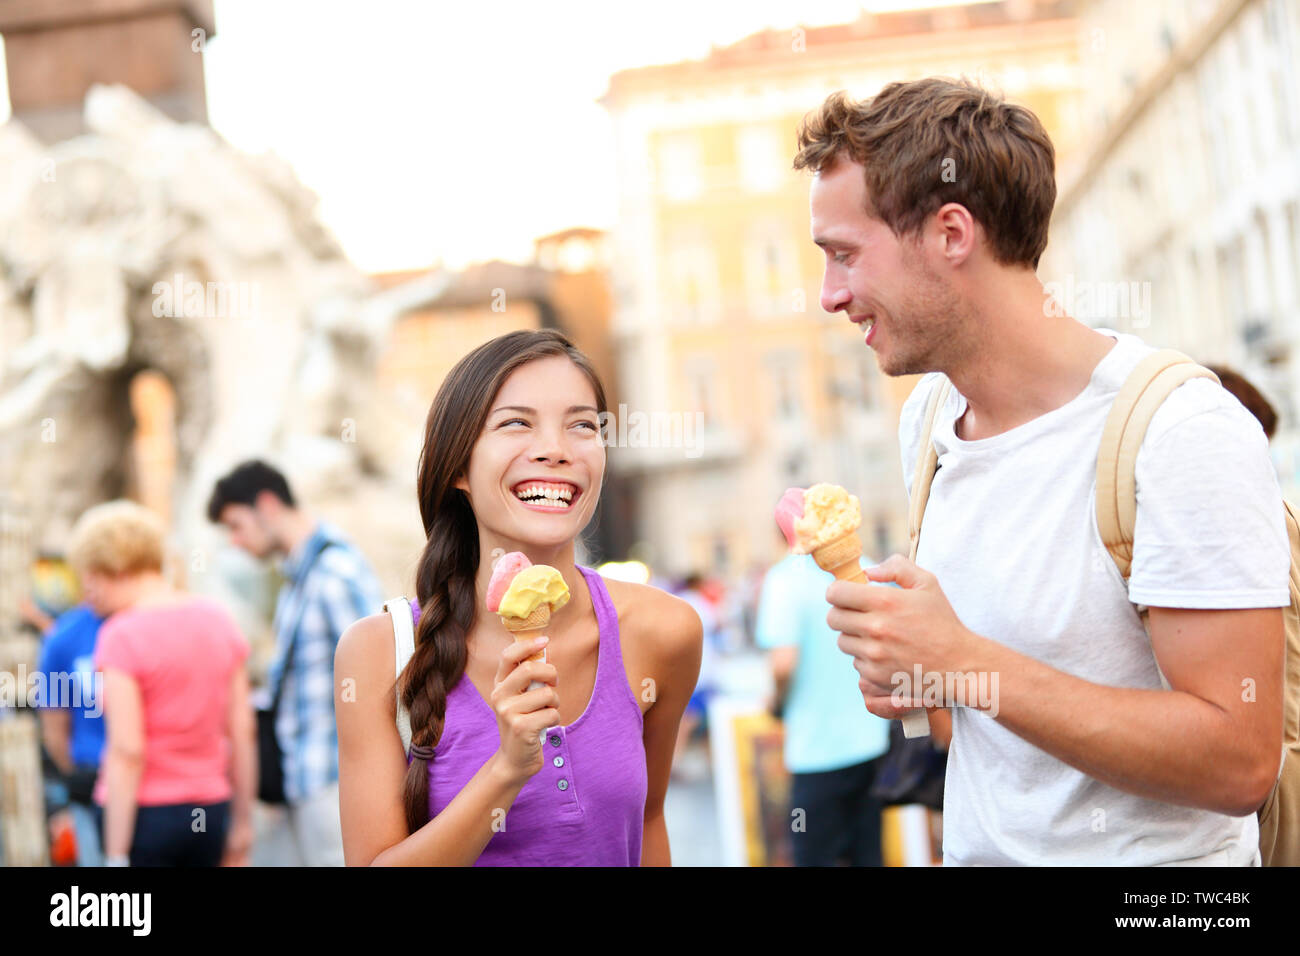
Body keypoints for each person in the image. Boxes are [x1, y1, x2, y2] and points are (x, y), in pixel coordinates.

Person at [795, 77, 1288, 865]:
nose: (830, 295)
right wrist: (927, 683)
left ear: (952, 232)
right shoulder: (926, 420)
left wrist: (963, 660)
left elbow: (1239, 762)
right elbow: (1005, 729)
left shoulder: (1178, 430)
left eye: (845, 255)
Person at [335, 328, 703, 865]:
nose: (555, 450)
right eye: (515, 423)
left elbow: (648, 823)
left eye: (582, 425)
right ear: (457, 466)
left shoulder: (665, 631)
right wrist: (507, 769)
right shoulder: (375, 654)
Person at [207, 459, 382, 866]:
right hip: (306, 784)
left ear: (267, 505)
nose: (235, 541)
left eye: (236, 525)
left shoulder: (334, 573)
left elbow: (383, 676)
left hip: (336, 786)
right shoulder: (297, 580)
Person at [66, 500, 254, 867]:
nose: (88, 593)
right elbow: (242, 730)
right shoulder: (218, 619)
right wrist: (242, 824)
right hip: (209, 811)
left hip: (144, 817)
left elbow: (127, 752)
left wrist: (116, 855)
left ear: (116, 568)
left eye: (90, 577)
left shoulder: (120, 635)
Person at [755, 530, 891, 866]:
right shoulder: (867, 571)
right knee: (867, 855)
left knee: (811, 853)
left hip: (814, 752)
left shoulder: (784, 579)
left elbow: (783, 664)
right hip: (871, 743)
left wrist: (776, 702)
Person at [34, 600, 106, 866]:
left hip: (97, 774)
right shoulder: (65, 635)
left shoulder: (63, 635)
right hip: (90, 777)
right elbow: (53, 726)